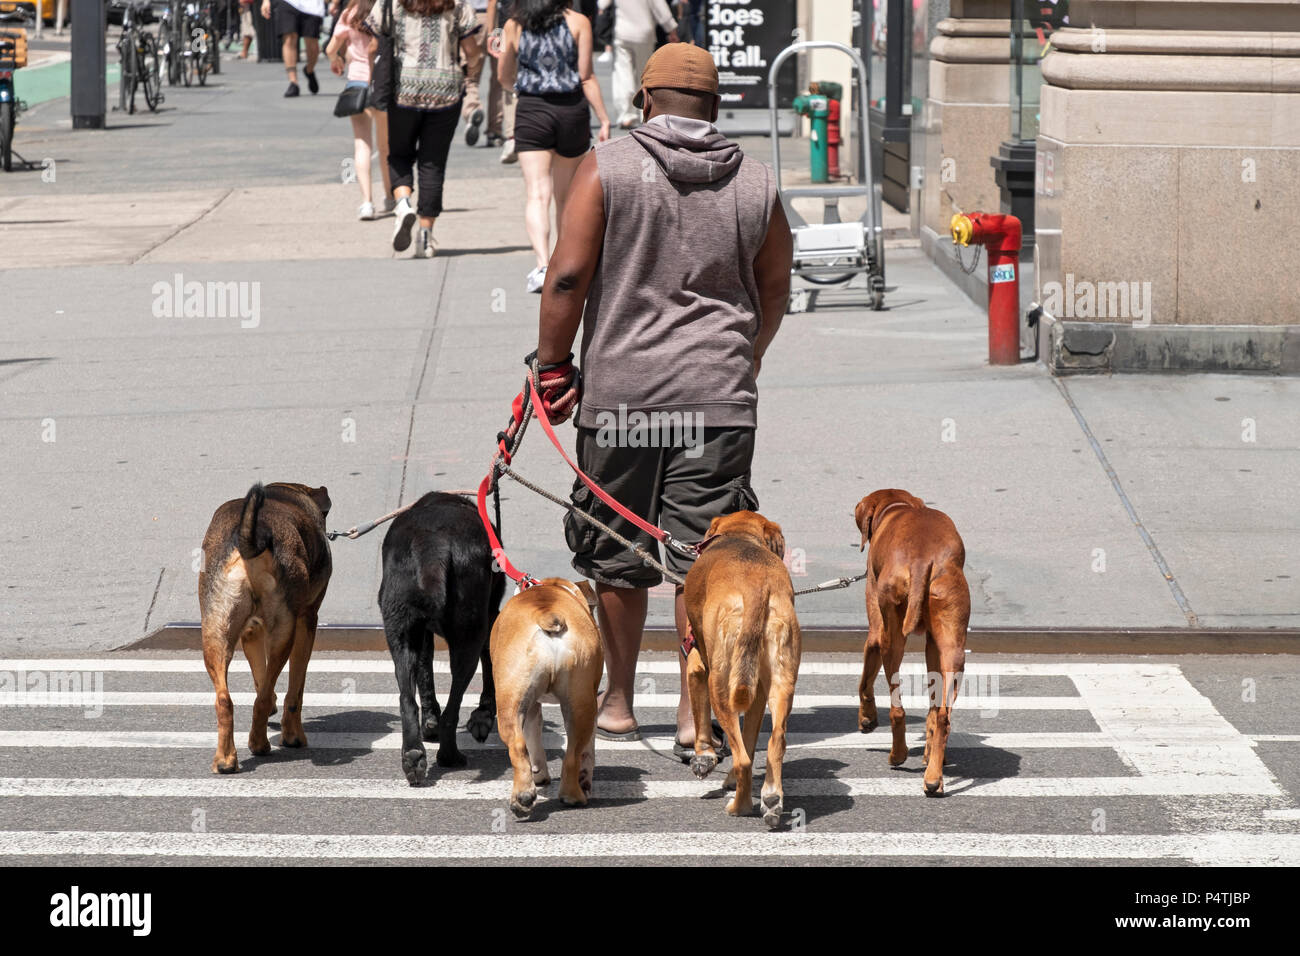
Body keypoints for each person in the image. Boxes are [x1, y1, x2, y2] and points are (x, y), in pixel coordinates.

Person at [529, 44, 793, 755]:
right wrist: (747, 357)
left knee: (617, 553)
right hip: (717, 402)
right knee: (697, 557)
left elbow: (565, 278)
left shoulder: (607, 168)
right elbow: (775, 289)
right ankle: (692, 712)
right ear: (715, 107)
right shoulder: (758, 183)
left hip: (623, 399)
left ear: (646, 101)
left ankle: (617, 701)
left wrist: (552, 366)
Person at [499, 0, 609, 293]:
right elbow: (586, 76)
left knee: (537, 193)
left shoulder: (514, 25)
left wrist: (522, 87)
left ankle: (542, 265)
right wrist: (604, 118)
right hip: (570, 110)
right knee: (565, 196)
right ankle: (566, 264)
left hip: (532, 110)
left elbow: (504, 76)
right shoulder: (578, 23)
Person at [367, 0, 482, 258]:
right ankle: (426, 237)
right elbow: (472, 50)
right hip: (446, 90)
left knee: (399, 154)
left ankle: (403, 203)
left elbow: (374, 43)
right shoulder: (457, 4)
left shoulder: (390, 3)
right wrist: (469, 72)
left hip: (403, 89)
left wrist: (371, 83)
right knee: (433, 162)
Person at [326, 0, 393, 220]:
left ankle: (366, 203)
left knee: (362, 145)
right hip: (381, 84)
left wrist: (335, 60)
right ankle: (390, 195)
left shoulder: (349, 14)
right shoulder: (385, 11)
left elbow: (330, 48)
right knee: (385, 147)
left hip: (356, 85)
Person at [597, 0, 677, 128]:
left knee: (622, 73)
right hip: (645, 33)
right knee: (645, 74)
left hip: (622, 32)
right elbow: (660, 8)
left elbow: (602, 4)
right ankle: (645, 111)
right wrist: (671, 30)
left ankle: (626, 115)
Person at [261, 0, 327, 96]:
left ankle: (309, 69)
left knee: (312, 43)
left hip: (312, 6)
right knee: (289, 38)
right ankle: (293, 82)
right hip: (287, 3)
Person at [485, 0, 519, 163]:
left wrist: (493, 33)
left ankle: (512, 136)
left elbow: (492, 4)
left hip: (509, 27)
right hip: (538, 24)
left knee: (507, 82)